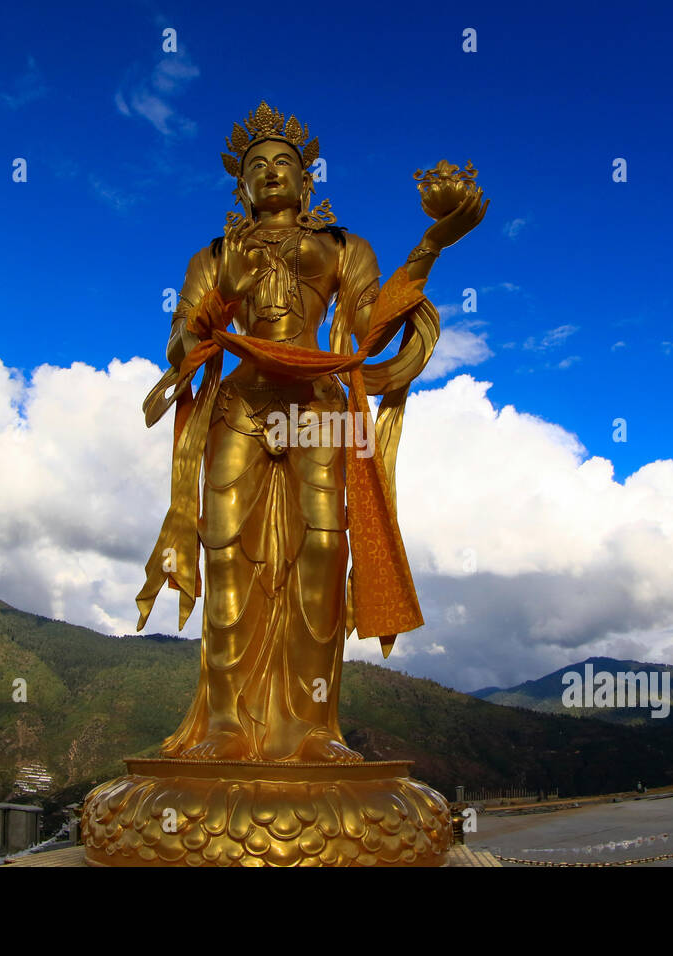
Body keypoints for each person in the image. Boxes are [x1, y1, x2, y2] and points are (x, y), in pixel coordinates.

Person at [135, 102, 487, 761]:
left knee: (325, 554)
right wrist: (191, 340)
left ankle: (313, 725)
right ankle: (226, 725)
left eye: (284, 165)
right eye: (256, 167)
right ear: (240, 187)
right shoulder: (215, 255)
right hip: (241, 405)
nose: (270, 174)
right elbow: (183, 331)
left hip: (317, 404)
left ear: (307, 181)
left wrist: (430, 246)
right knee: (225, 555)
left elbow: (368, 323)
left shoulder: (343, 248)